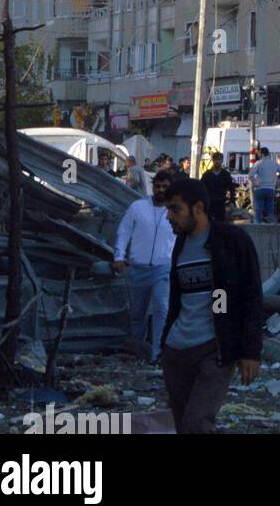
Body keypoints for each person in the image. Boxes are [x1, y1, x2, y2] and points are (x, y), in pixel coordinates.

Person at [160, 176, 263, 433]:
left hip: (213, 351)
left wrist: (250, 351)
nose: (169, 217)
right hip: (177, 351)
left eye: (175, 209)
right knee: (184, 425)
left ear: (197, 208)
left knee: (198, 423)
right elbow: (178, 301)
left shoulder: (231, 240)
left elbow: (251, 295)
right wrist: (165, 344)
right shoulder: (181, 246)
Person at [113, 168, 176, 363]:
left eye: (165, 187)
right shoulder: (138, 207)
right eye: (157, 186)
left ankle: (157, 354)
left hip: (163, 268)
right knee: (137, 313)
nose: (160, 190)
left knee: (162, 310)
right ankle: (138, 351)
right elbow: (124, 232)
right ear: (152, 187)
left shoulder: (174, 212)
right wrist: (118, 255)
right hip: (138, 268)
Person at [201, 151, 238, 223]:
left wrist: (232, 201)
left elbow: (231, 188)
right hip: (209, 202)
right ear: (213, 161)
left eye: (219, 160)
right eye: (215, 160)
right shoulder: (207, 174)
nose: (217, 162)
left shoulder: (225, 174)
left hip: (221, 202)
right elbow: (202, 187)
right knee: (208, 222)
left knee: (221, 223)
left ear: (222, 161)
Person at [249, 145, 280, 223]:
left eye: (259, 153)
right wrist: (279, 182)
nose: (258, 155)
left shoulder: (258, 163)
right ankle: (271, 227)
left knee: (258, 210)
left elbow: (250, 175)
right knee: (270, 210)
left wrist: (255, 182)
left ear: (262, 154)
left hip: (260, 189)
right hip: (271, 189)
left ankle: (258, 227)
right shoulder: (274, 163)